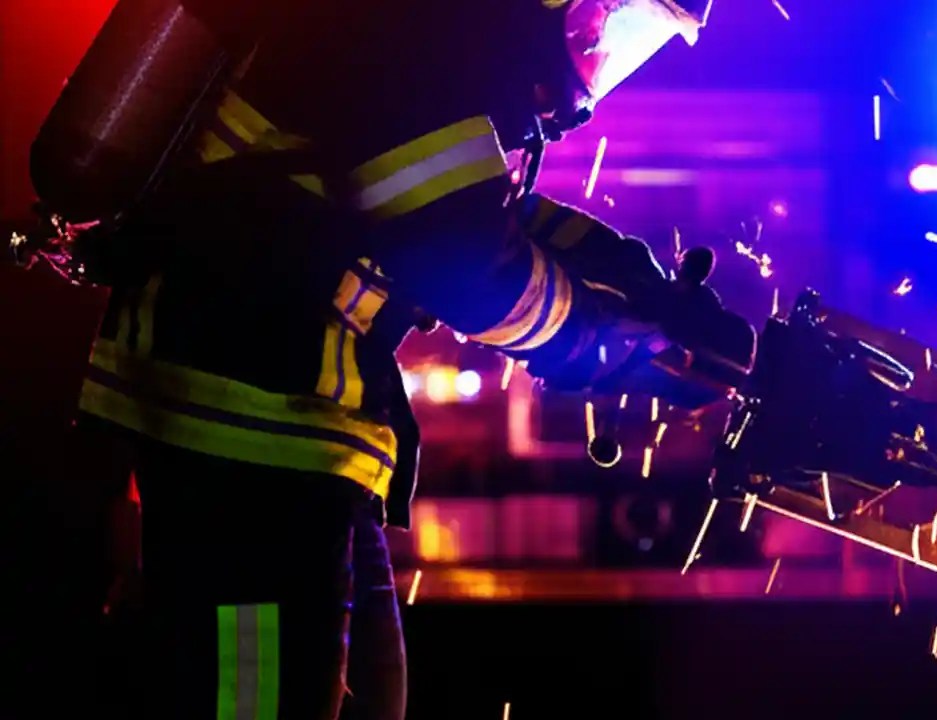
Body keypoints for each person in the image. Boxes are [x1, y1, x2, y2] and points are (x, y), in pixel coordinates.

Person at [28, 0, 751, 718]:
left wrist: (638, 283)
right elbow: (458, 261)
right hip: (240, 436)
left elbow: (468, 211)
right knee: (263, 701)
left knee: (367, 698)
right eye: (600, 20)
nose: (597, 49)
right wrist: (606, 346)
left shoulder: (425, 48)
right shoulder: (409, 34)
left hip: (285, 439)